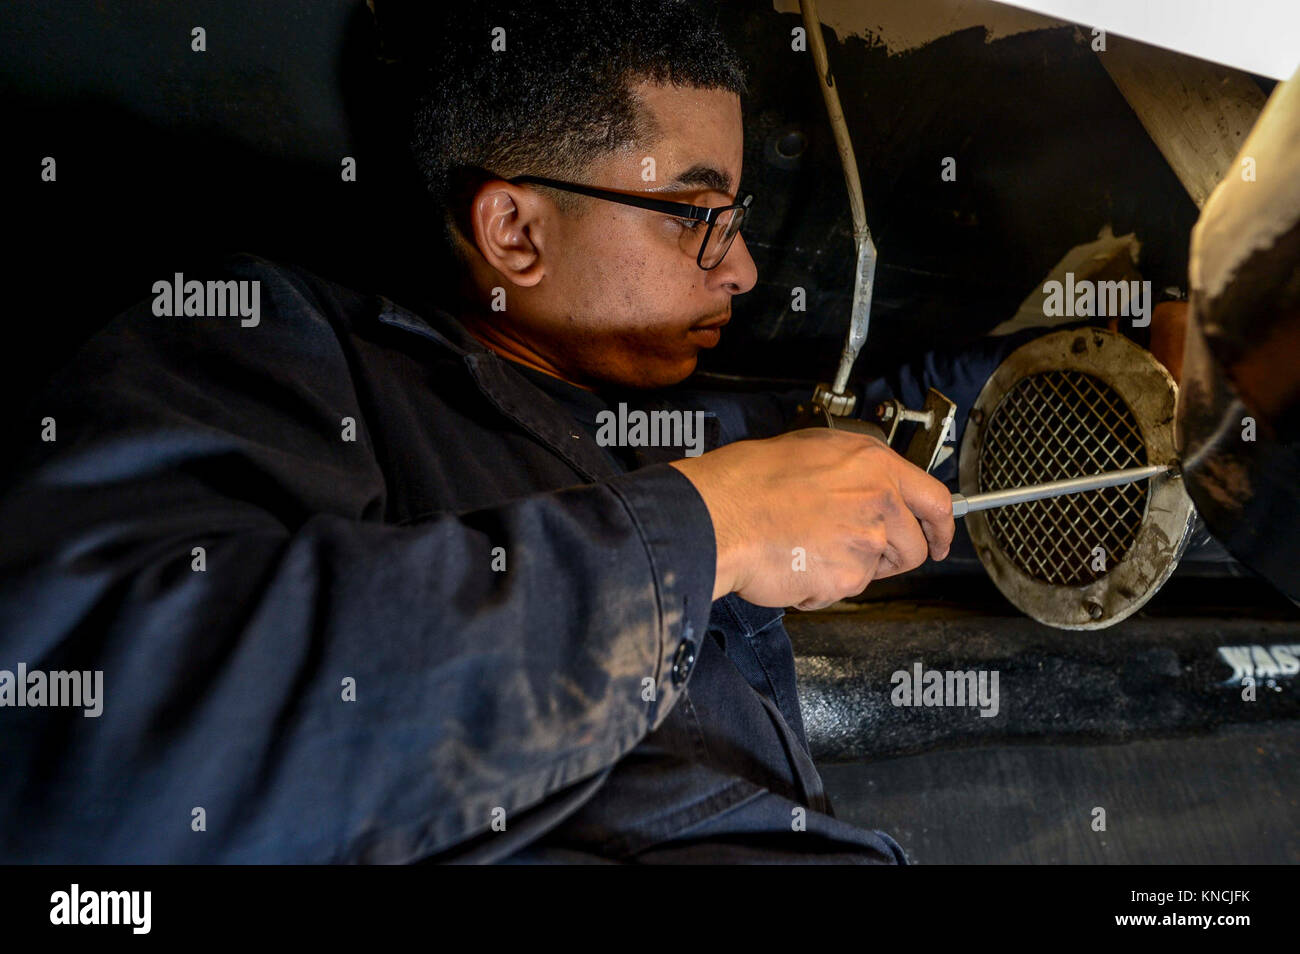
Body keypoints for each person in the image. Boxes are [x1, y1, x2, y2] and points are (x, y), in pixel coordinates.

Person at [0, 0, 1181, 864]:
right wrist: (709, 527)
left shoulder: (697, 414)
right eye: (696, 217)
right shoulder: (275, 349)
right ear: (515, 232)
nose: (747, 268)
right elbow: (90, 750)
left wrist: (1149, 357)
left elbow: (919, 418)